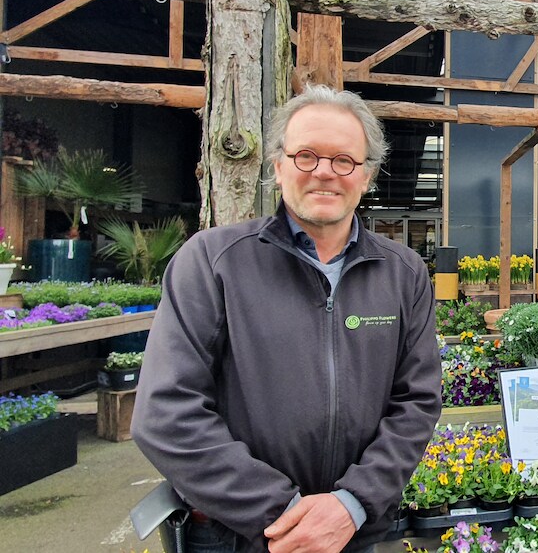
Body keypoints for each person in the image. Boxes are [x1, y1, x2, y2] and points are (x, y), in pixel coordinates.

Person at [132, 85, 443, 553]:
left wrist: (352, 504)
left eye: (344, 160)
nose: (325, 173)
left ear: (367, 175)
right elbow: (165, 414)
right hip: (234, 536)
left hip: (353, 534)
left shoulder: (403, 274)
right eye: (306, 156)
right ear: (278, 166)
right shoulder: (214, 263)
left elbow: (416, 403)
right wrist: (284, 513)